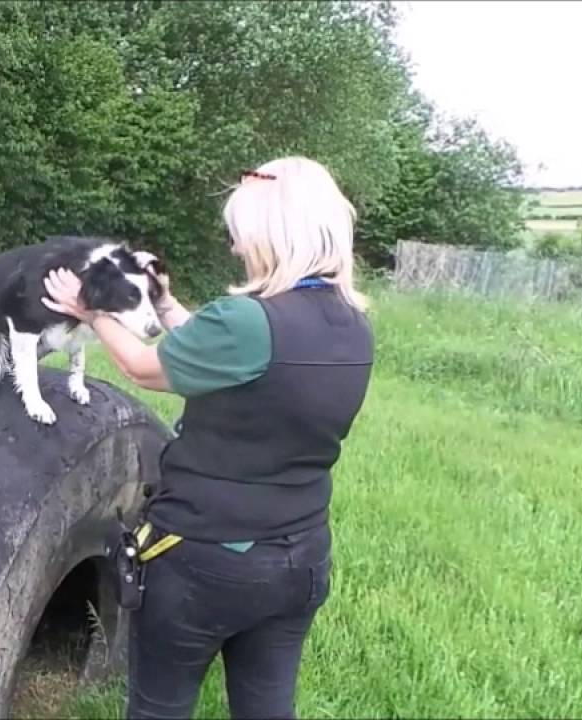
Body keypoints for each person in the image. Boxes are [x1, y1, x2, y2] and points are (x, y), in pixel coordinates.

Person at [42, 155, 375, 719]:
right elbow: (236, 356)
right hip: (301, 556)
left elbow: (143, 368)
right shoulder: (352, 323)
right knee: (267, 709)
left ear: (272, 232)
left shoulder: (248, 320)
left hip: (207, 560)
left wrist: (91, 312)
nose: (235, 246)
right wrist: (167, 305)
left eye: (240, 232)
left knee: (158, 709)